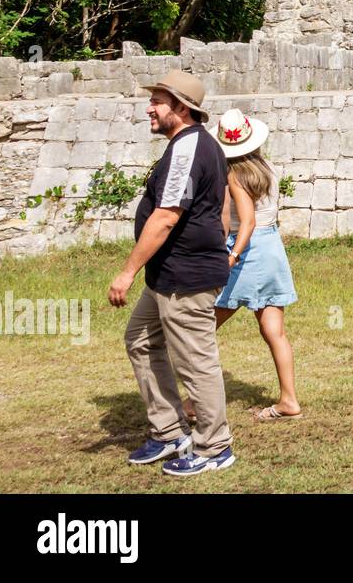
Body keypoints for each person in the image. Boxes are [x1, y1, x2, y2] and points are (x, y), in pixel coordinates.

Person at [108, 69, 236, 476]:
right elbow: (223, 198)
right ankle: (168, 431)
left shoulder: (189, 148)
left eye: (158, 101)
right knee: (141, 340)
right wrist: (221, 233)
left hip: (186, 277)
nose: (150, 108)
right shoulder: (196, 145)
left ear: (181, 109)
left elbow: (165, 216)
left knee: (196, 362)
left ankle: (214, 446)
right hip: (169, 276)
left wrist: (127, 272)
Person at [205, 108, 302, 421]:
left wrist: (230, 255)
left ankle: (197, 401)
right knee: (274, 330)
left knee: (203, 327)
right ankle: (289, 399)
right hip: (272, 245)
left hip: (247, 250)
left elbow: (242, 222)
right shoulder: (267, 169)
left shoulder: (233, 176)